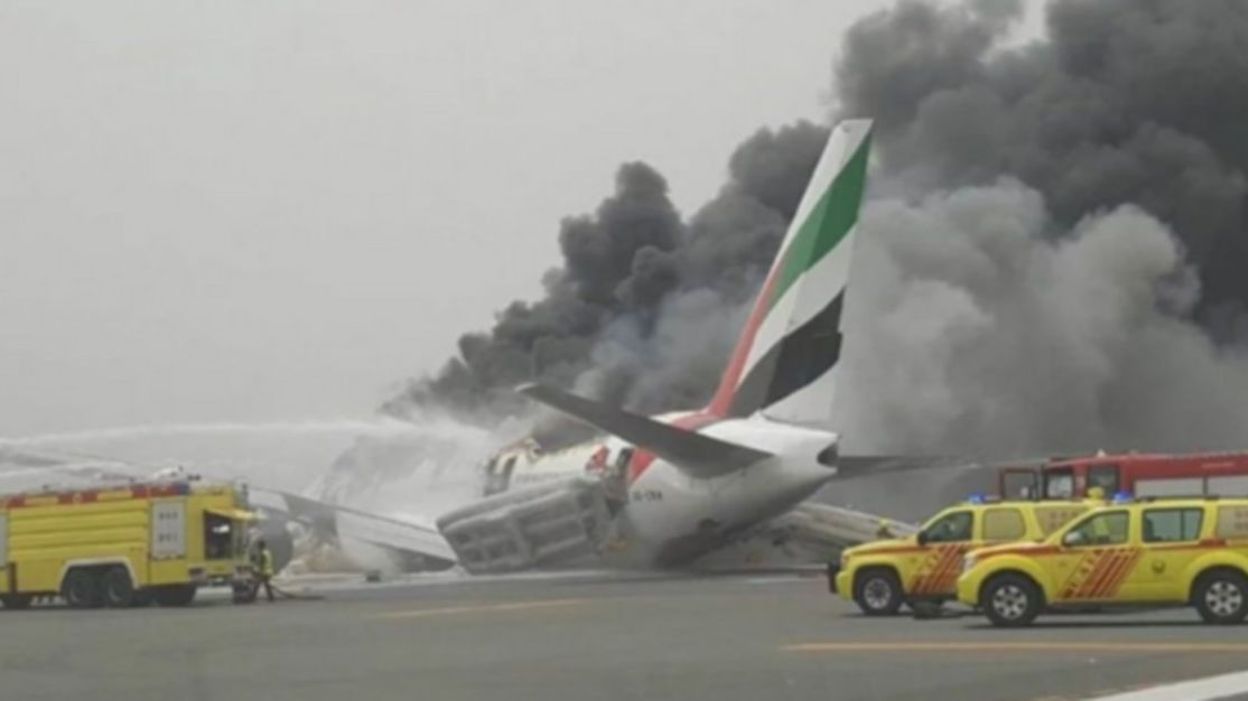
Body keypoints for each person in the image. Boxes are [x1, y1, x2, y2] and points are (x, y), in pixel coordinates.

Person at [252, 538, 275, 602]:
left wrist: (258, 571)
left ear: (260, 546)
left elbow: (261, 563)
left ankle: (252, 598)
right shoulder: (268, 552)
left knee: (257, 584)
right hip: (269, 571)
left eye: (258, 546)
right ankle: (271, 598)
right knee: (267, 585)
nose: (258, 547)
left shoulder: (262, 553)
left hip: (264, 572)